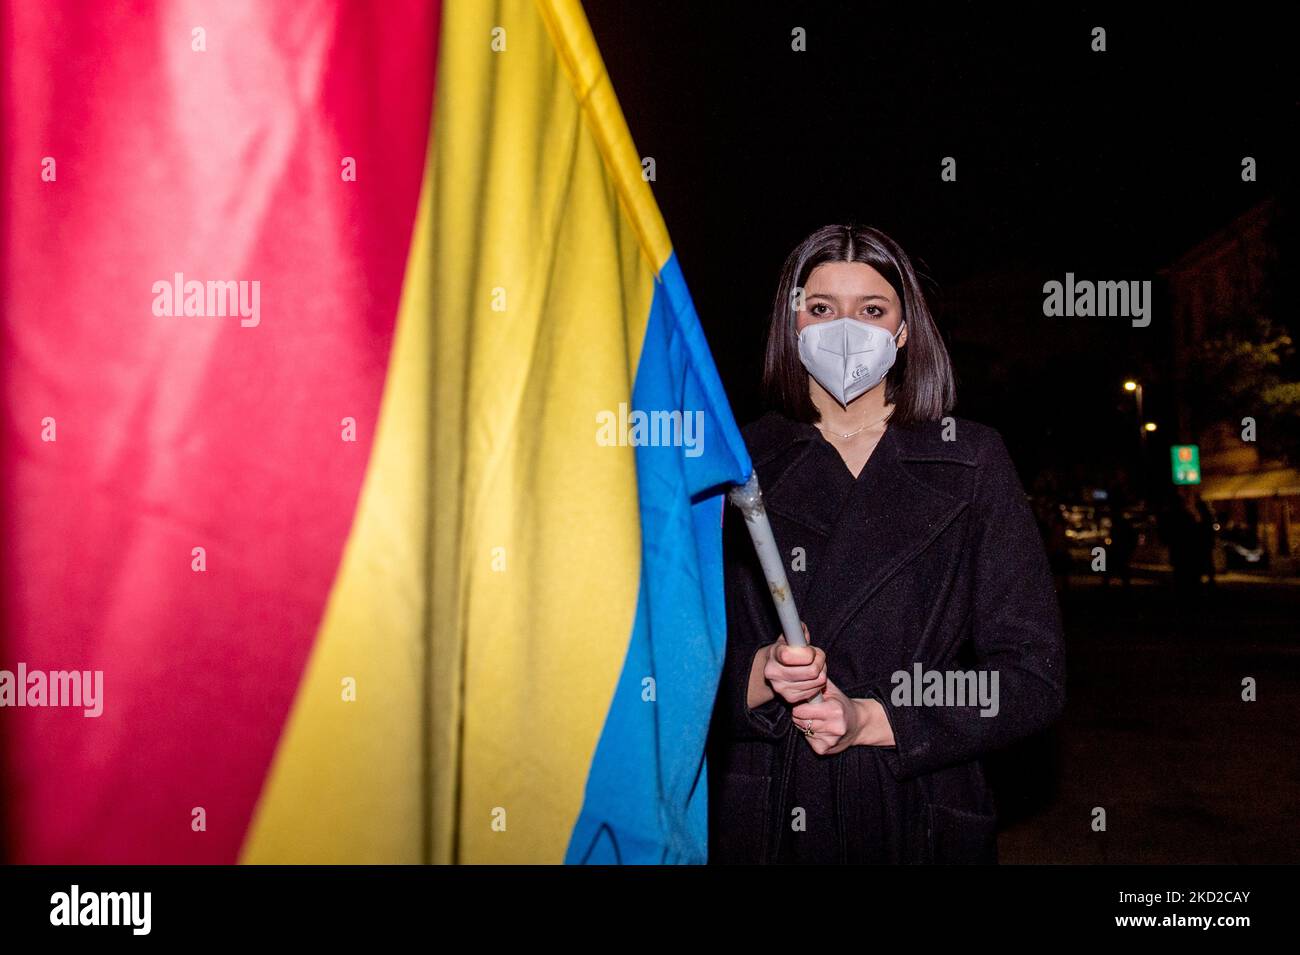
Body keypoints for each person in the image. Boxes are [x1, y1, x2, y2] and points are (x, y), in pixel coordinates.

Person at [706, 223, 1067, 864]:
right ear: (792, 328)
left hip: (918, 807)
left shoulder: (973, 459)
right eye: (821, 309)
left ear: (902, 332)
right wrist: (758, 676)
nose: (846, 328)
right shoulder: (735, 463)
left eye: (871, 310)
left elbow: (1032, 676)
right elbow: (679, 663)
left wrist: (879, 720)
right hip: (769, 811)